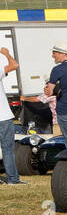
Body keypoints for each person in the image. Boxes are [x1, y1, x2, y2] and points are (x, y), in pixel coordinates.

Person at [0, 47, 23, 185]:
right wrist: (6, 53)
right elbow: (14, 65)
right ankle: (12, 179)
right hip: (3, 116)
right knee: (7, 149)